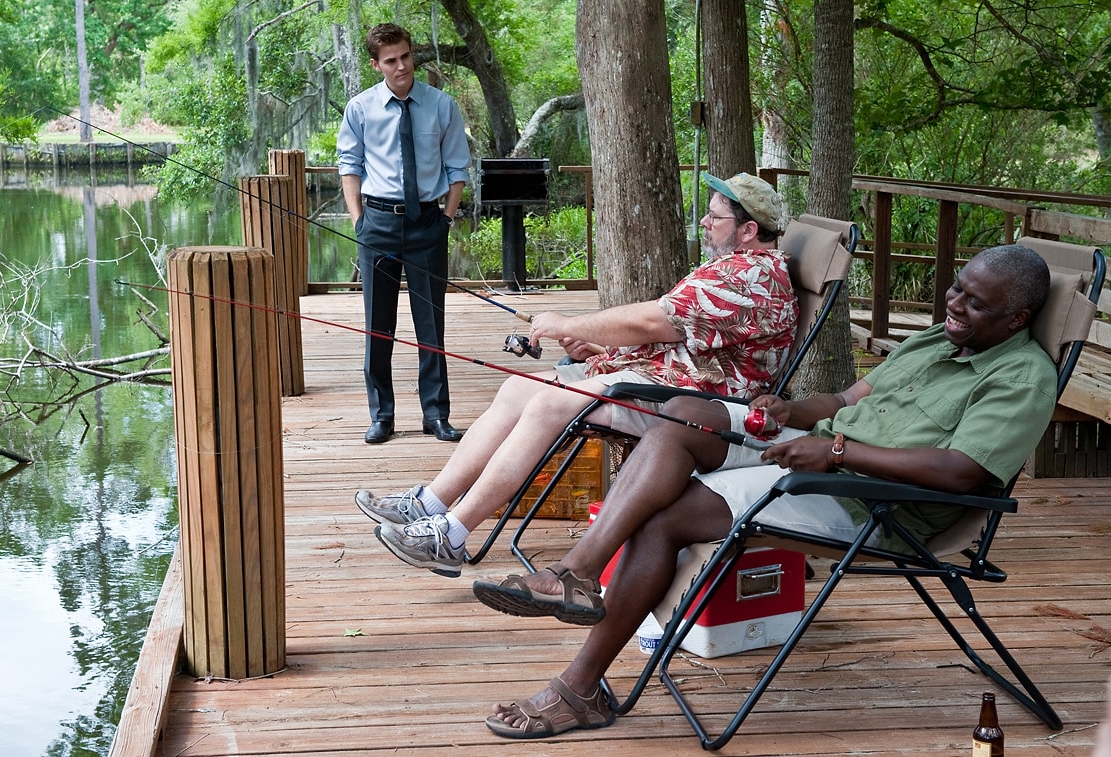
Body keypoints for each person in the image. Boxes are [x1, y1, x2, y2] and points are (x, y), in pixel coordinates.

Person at [471, 243, 1057, 738]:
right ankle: (576, 573)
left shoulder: (1022, 377)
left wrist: (836, 453)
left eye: (976, 303)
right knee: (682, 416)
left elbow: (962, 472)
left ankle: (578, 688)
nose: (954, 305)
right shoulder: (936, 341)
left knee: (664, 517)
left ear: (1016, 318)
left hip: (873, 501)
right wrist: (789, 410)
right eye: (956, 289)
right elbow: (846, 403)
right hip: (823, 453)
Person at [360, 172, 799, 578]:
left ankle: (451, 535)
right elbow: (687, 335)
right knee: (519, 388)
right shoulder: (733, 270)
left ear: (748, 231)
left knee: (551, 402)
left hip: (699, 404)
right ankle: (429, 503)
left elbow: (654, 322)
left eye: (715, 216)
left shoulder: (752, 276)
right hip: (665, 377)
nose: (704, 222)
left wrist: (569, 323)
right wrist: (602, 348)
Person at [337, 23, 472, 444]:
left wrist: (446, 218)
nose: (401, 67)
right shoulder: (360, 109)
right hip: (377, 222)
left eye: (406, 57)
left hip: (426, 224)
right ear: (376, 65)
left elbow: (457, 168)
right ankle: (382, 415)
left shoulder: (441, 105)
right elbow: (349, 165)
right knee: (379, 325)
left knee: (431, 324)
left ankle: (436, 414)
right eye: (391, 61)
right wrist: (359, 219)